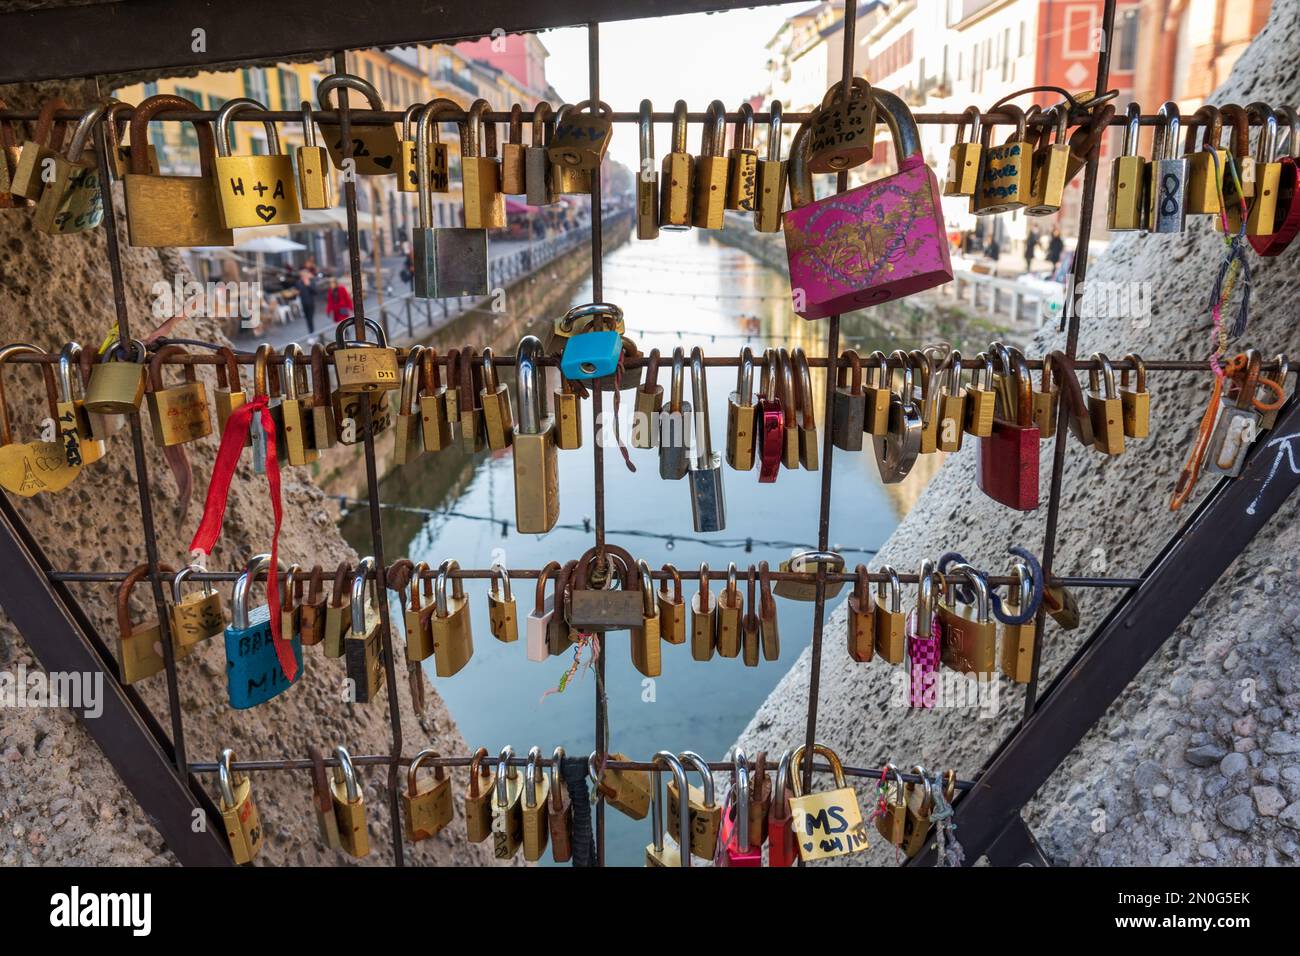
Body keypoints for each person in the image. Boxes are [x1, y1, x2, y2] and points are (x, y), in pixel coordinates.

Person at [294, 267, 317, 333]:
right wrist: (296, 292)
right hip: (303, 303)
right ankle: (311, 332)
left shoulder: (311, 281)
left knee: (310, 318)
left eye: (304, 274)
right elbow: (297, 291)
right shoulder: (298, 282)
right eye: (302, 275)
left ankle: (312, 332)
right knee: (307, 319)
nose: (303, 276)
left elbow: (315, 292)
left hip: (310, 303)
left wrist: (308, 285)